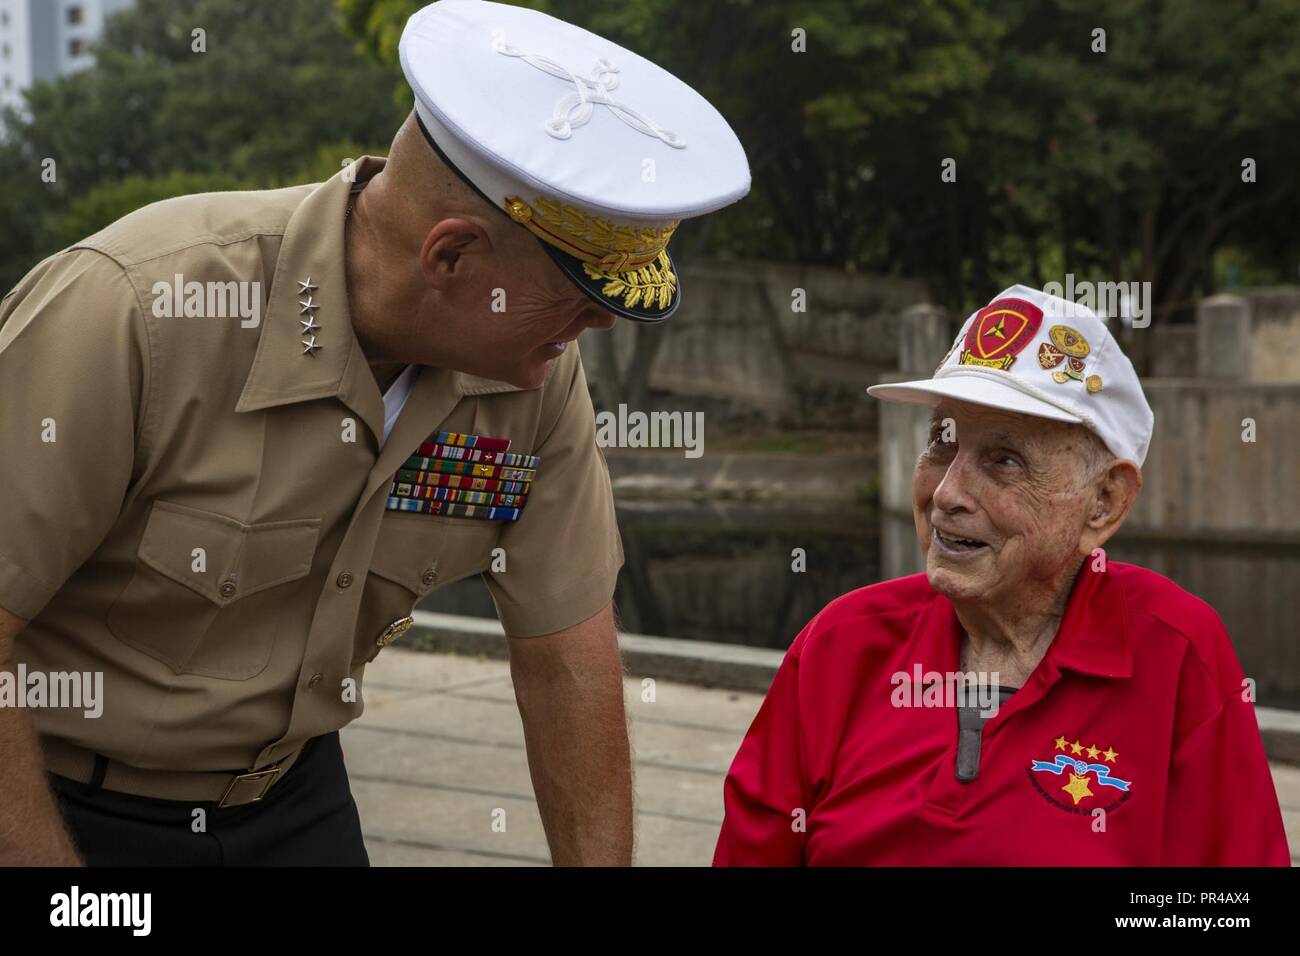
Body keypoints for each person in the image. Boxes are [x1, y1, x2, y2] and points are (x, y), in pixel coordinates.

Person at [0, 0, 749, 866]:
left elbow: (565, 656)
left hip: (292, 795)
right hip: (60, 802)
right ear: (452, 257)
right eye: (580, 301)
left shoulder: (532, 373)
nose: (601, 328)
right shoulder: (137, 307)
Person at [713, 285, 1289, 866]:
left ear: (1105, 502)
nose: (946, 492)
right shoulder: (842, 643)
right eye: (943, 443)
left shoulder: (1177, 652)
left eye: (1003, 460)